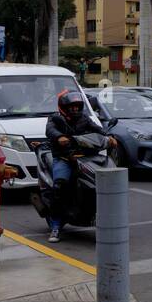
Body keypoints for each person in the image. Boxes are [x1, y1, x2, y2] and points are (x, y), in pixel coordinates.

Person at [44, 89, 112, 242]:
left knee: (104, 179)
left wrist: (108, 136)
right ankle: (56, 226)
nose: (75, 109)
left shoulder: (84, 118)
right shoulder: (55, 119)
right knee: (60, 186)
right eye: (72, 106)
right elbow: (50, 130)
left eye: (77, 106)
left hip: (86, 157)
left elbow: (97, 129)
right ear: (64, 107)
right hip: (64, 158)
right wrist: (59, 136)